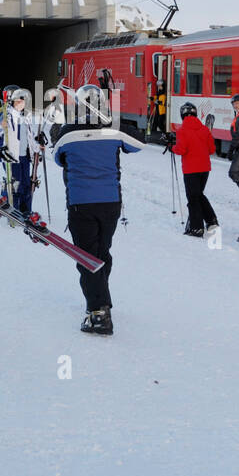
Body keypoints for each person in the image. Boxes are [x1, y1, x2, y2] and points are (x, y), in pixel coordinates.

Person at [54, 85, 142, 335]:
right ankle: (101, 299)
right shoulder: (112, 130)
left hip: (81, 203)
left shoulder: (67, 132)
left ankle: (99, 312)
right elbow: (138, 144)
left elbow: (58, 158)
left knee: (86, 258)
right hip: (111, 203)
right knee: (102, 253)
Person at [168, 102, 218, 236]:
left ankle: (196, 228)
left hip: (191, 169)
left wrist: (171, 147)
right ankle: (211, 220)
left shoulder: (182, 131)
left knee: (193, 198)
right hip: (205, 168)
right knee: (198, 195)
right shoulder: (204, 130)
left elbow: (181, 150)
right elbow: (212, 150)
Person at [0, 86, 34, 215]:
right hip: (11, 156)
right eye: (17, 100)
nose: (20, 103)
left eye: (21, 100)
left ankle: (25, 209)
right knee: (15, 183)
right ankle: (11, 208)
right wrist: (1, 126)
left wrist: (35, 146)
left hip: (24, 155)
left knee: (27, 183)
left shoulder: (24, 116)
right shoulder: (5, 114)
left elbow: (28, 135)